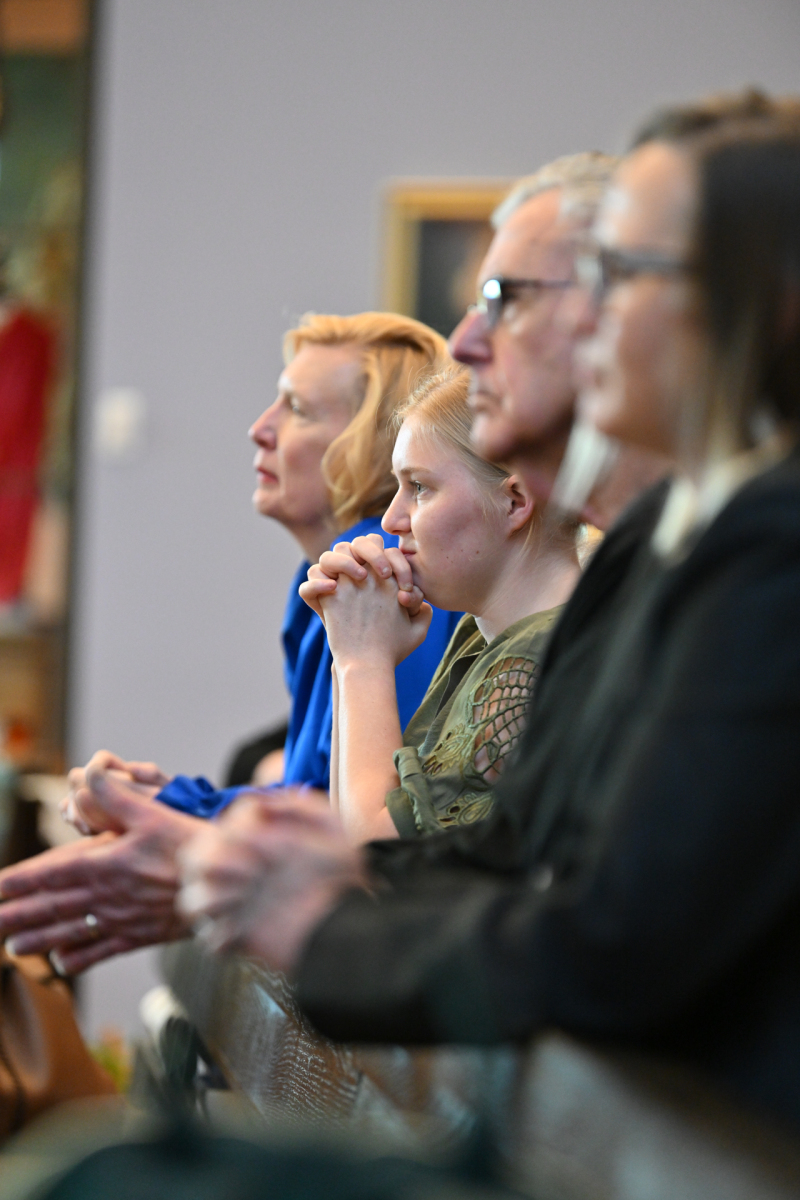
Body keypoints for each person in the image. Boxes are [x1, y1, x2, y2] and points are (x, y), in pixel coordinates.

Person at [177, 118, 800, 1132]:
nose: (468, 341)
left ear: (740, 305)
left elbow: (618, 941)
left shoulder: (764, 545)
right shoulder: (659, 545)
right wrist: (329, 873)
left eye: (514, 300)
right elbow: (510, 849)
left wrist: (325, 930)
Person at [299, 368, 579, 843]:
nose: (392, 519)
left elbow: (381, 860)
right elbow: (348, 834)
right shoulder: (484, 631)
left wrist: (361, 660)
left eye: (420, 487)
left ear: (514, 501)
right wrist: (351, 645)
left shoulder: (536, 654)